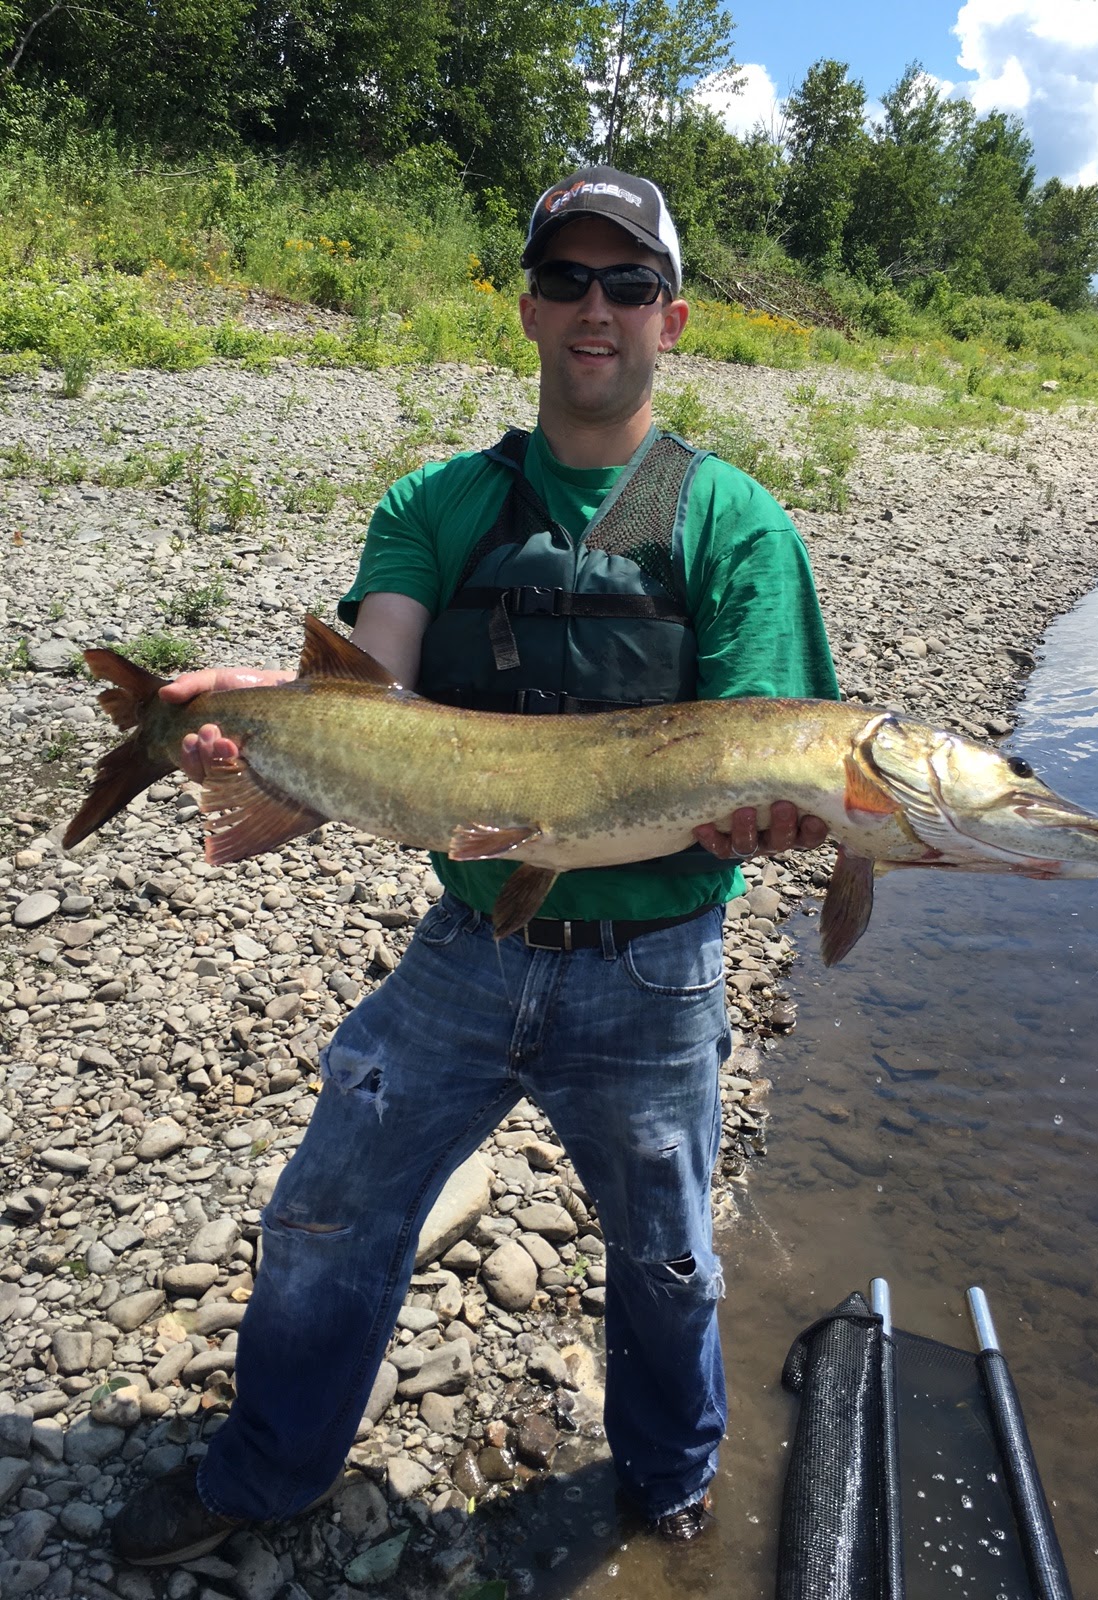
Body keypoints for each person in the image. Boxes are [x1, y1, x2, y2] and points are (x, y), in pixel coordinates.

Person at [111, 165, 840, 1565]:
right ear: (527, 305)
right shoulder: (438, 504)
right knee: (327, 1214)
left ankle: (671, 1485)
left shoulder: (732, 524)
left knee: (670, 1266)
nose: (595, 309)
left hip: (654, 977)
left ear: (671, 320)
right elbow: (369, 691)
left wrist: (777, 815)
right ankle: (265, 1476)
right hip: (467, 955)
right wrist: (255, 731)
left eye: (627, 285)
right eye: (567, 278)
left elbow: (768, 742)